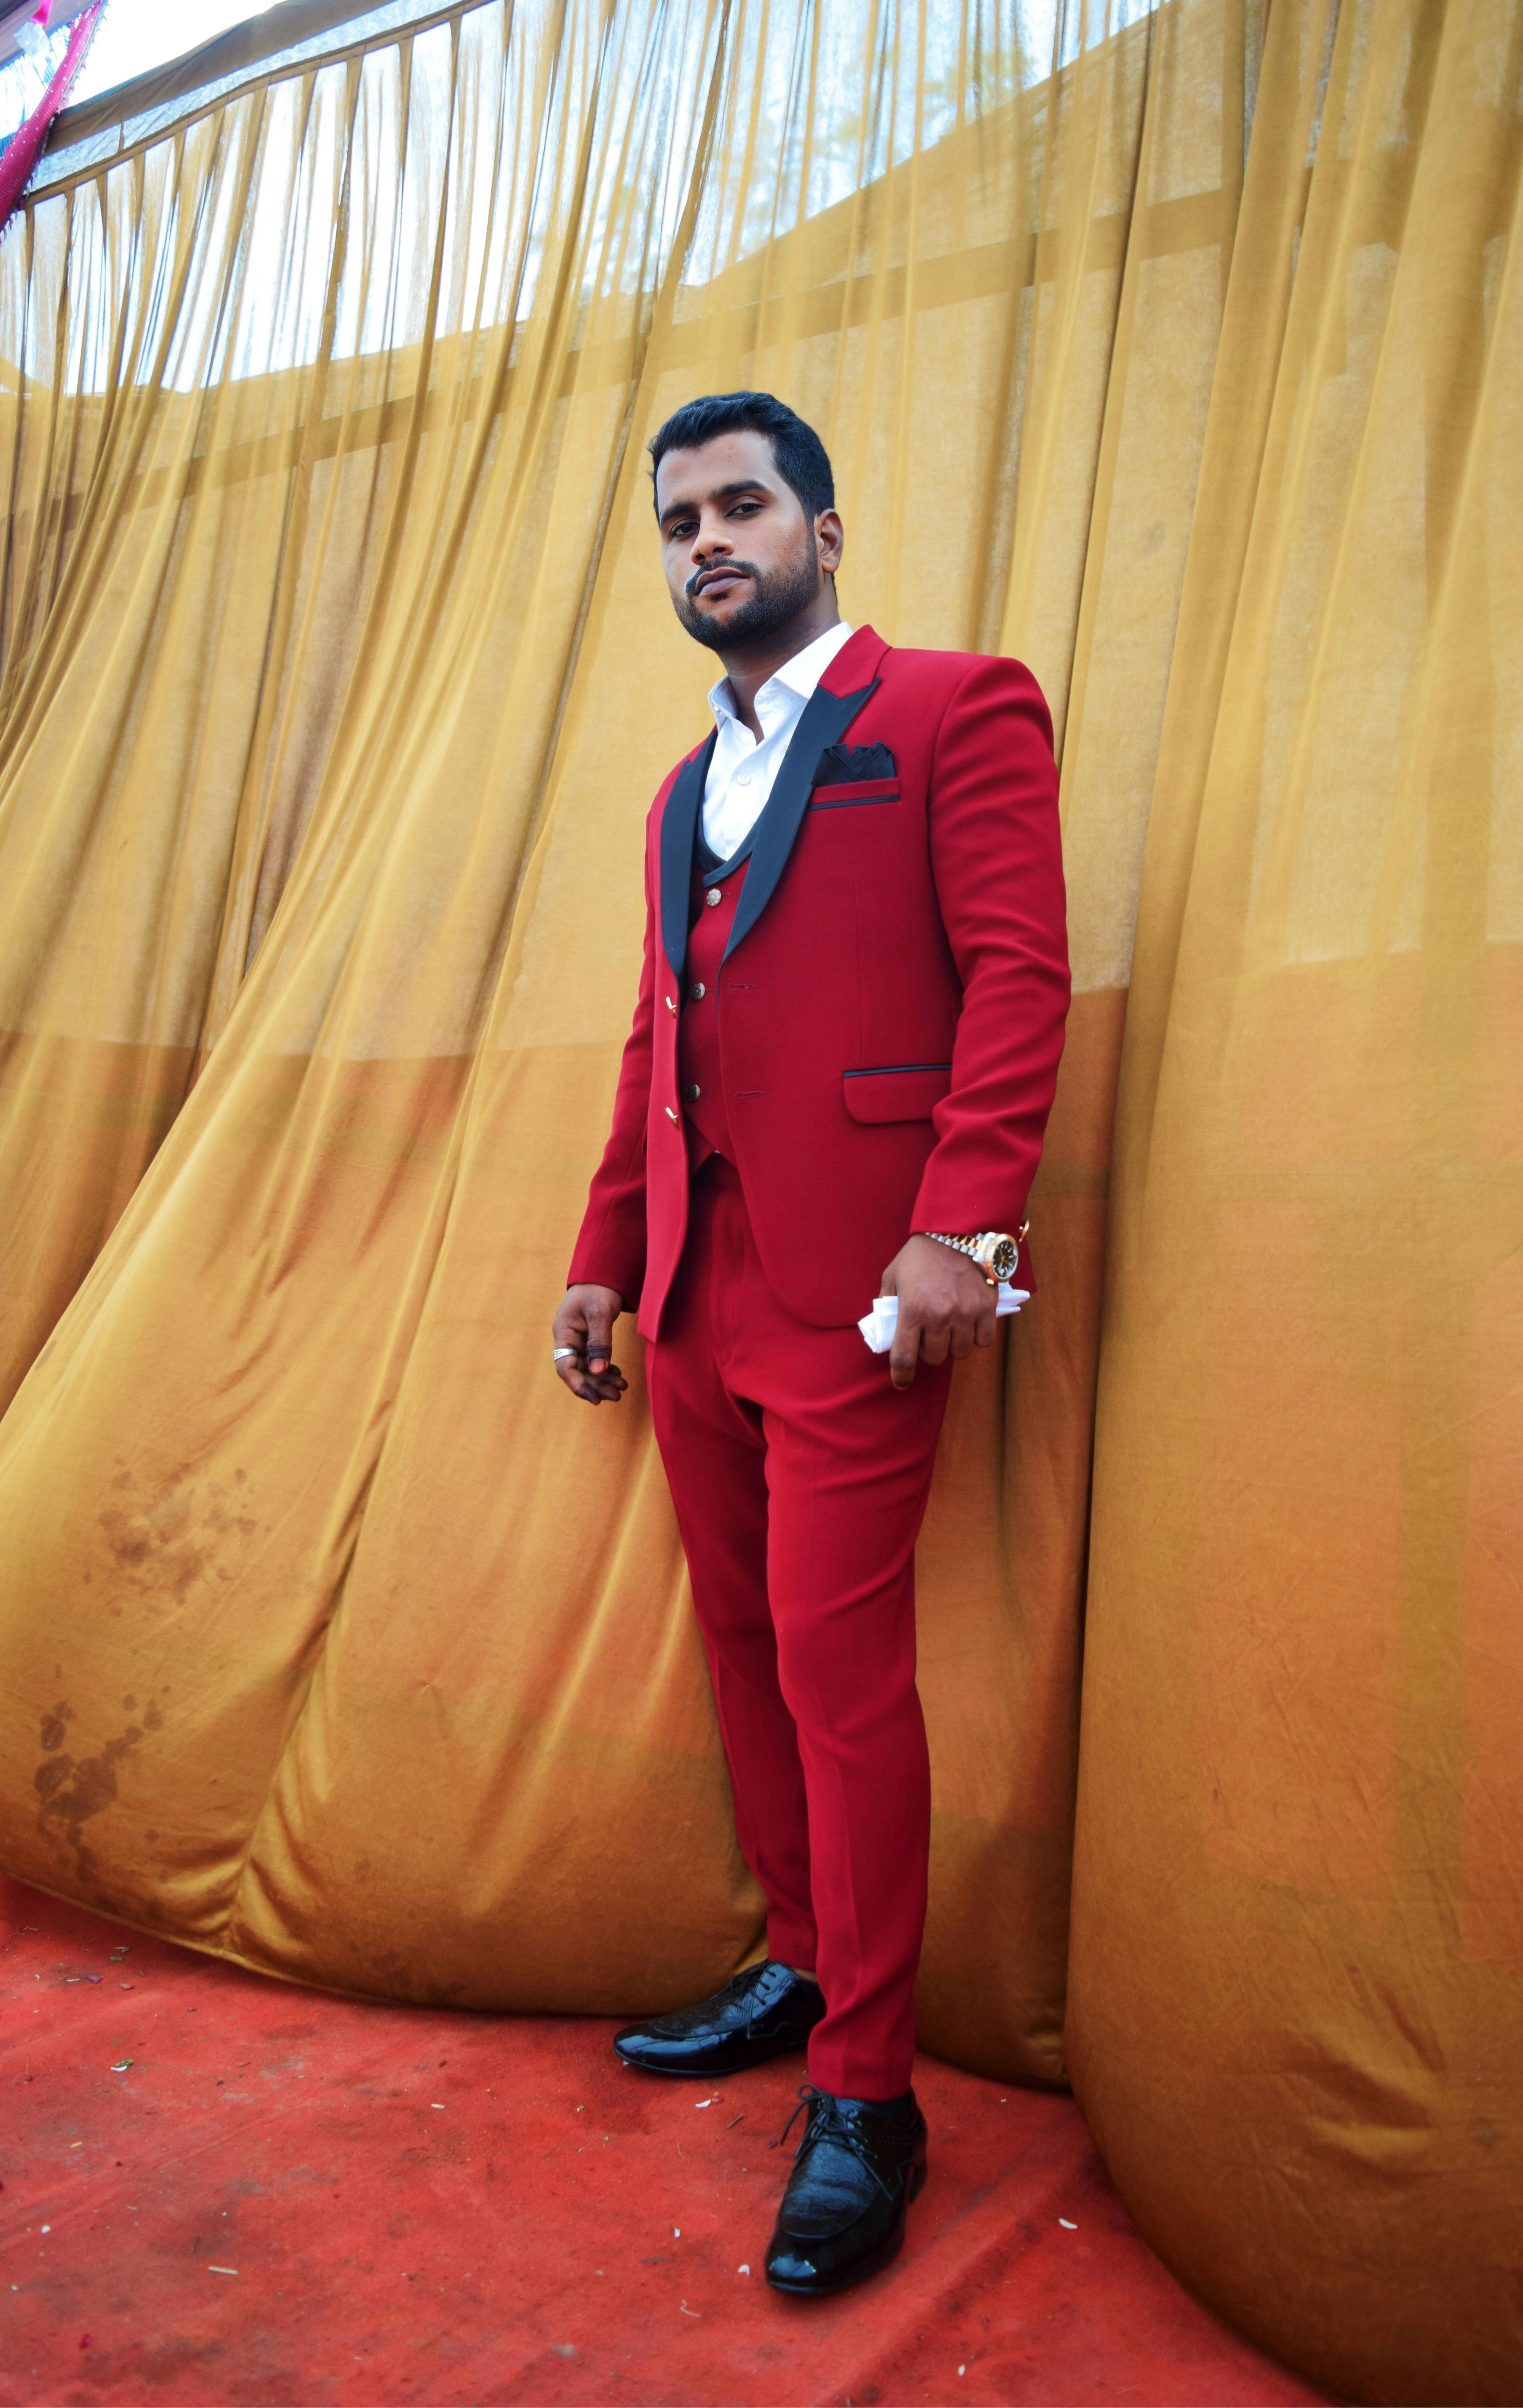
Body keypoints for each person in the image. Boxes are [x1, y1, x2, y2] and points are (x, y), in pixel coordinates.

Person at [551, 391, 1069, 2296]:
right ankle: (796, 1958)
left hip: (865, 1296)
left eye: (743, 503)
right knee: (747, 1649)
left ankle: (872, 2093)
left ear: (823, 531)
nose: (709, 538)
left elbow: (1017, 970)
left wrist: (963, 1225)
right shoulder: (678, 793)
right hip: (698, 1294)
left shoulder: (958, 705)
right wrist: (606, 1254)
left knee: (850, 1682)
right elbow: (654, 1039)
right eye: (681, 515)